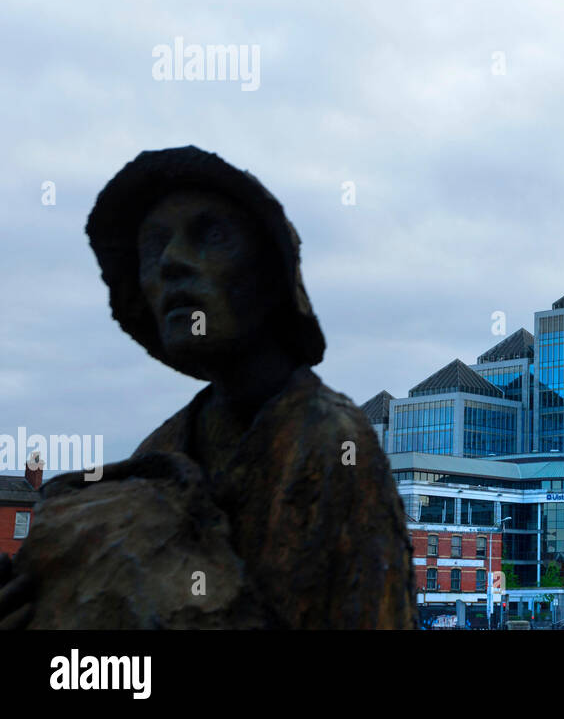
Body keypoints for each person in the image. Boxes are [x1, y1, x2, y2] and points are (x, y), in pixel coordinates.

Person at [0, 146, 416, 628]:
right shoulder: (162, 450)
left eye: (210, 235)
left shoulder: (333, 443)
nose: (172, 261)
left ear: (270, 270)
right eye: (153, 246)